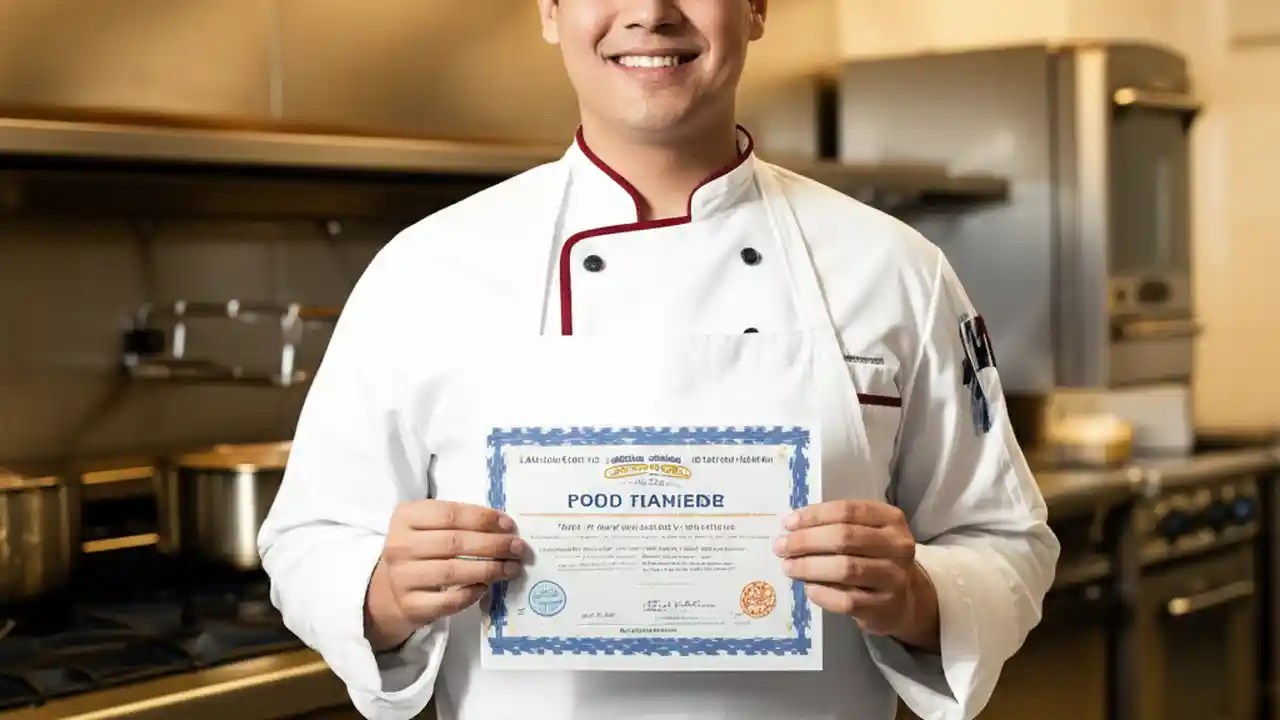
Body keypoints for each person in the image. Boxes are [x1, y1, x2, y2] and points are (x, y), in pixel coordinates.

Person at [256, 1, 1060, 719]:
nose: (650, 12)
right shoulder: (427, 268)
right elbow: (308, 538)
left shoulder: (894, 268)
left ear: (755, 8)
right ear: (550, 10)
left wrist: (919, 595)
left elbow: (1005, 540)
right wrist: (384, 592)